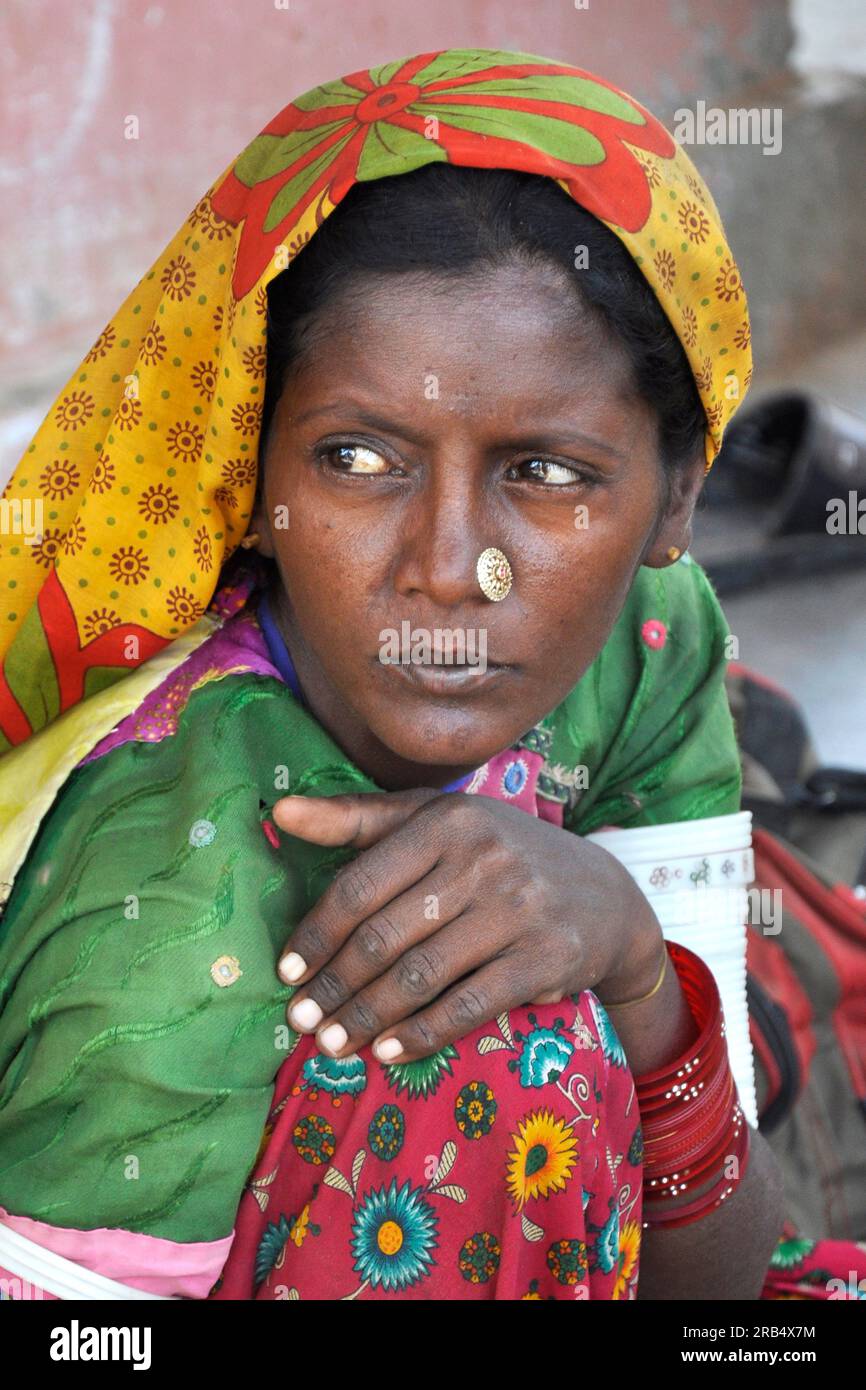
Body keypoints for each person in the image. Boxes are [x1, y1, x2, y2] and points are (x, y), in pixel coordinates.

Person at [0, 46, 853, 1302]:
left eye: (548, 475)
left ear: (676, 498)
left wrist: (630, 956)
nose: (453, 572)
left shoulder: (647, 634)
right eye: (355, 457)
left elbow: (711, 1284)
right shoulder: (168, 908)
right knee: (487, 1046)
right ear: (253, 473)